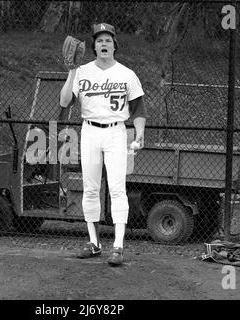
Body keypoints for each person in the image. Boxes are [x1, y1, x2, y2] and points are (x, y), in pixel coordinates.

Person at [59, 23, 147, 266]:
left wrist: (139, 133)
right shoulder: (82, 71)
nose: (104, 44)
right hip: (89, 132)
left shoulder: (126, 74)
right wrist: (70, 71)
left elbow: (138, 109)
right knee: (90, 188)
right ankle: (94, 243)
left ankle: (118, 246)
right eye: (99, 40)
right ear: (94, 47)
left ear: (114, 45)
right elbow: (65, 101)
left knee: (117, 189)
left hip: (116, 132)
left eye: (108, 40)